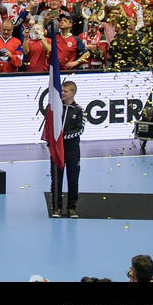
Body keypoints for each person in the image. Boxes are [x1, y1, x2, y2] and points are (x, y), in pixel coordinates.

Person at [50, 79, 84, 218]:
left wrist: (62, 137)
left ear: (73, 93)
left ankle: (72, 208)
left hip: (72, 150)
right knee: (56, 179)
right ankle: (57, 208)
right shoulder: (57, 108)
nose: (62, 93)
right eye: (62, 91)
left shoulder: (79, 110)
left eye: (65, 91)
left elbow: (80, 130)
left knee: (73, 179)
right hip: (58, 150)